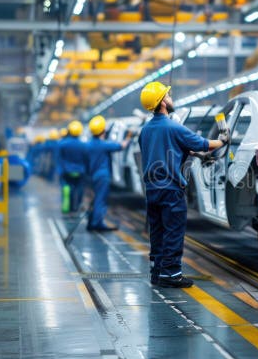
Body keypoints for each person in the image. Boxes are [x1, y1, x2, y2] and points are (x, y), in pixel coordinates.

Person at [138, 81, 227, 288]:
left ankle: (157, 271)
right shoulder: (173, 127)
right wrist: (222, 140)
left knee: (157, 231)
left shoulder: (145, 130)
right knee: (173, 232)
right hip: (170, 189)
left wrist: (190, 153)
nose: (171, 98)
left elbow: (161, 150)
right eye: (168, 96)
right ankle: (171, 275)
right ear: (161, 102)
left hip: (152, 189)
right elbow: (204, 143)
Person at [85, 115, 130, 231]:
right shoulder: (104, 144)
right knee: (101, 199)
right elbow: (121, 146)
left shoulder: (89, 145)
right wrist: (129, 136)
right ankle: (97, 223)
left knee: (97, 198)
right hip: (103, 176)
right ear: (103, 130)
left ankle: (94, 220)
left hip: (93, 175)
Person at [58, 120, 87, 213]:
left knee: (69, 189)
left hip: (67, 171)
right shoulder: (83, 145)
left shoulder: (63, 144)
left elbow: (60, 158)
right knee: (79, 189)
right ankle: (77, 206)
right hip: (80, 171)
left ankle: (69, 208)